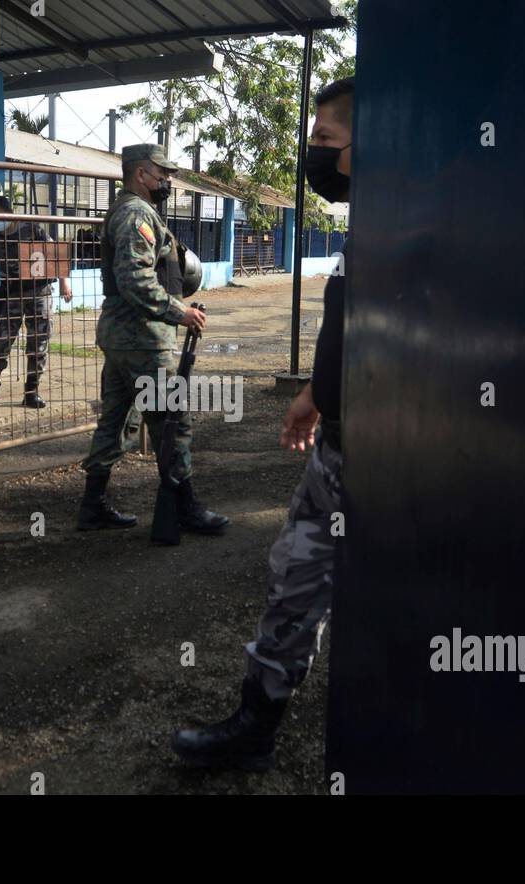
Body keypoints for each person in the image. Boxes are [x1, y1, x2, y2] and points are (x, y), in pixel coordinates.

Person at [171, 78, 354, 769]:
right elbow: (351, 329)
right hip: (336, 450)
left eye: (323, 143)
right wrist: (315, 392)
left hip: (395, 461)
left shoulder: (421, 225)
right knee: (293, 577)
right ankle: (256, 725)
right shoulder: (368, 224)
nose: (312, 155)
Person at [75, 144, 228, 536]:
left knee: (116, 421)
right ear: (141, 173)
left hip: (127, 338)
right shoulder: (135, 213)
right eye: (163, 173)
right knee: (172, 424)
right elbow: (135, 280)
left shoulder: (134, 210)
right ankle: (186, 507)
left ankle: (92, 506)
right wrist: (181, 312)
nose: (168, 180)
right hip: (142, 339)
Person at [0, 195, 72, 408]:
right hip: (10, 294)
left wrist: (64, 283)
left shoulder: (32, 229)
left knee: (38, 343)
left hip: (39, 292)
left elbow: (55, 253)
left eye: (0, 216)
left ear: (10, 214)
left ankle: (32, 391)